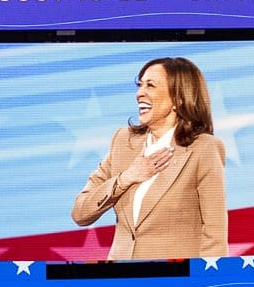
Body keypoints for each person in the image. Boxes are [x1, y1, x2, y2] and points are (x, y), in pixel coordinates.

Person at [70, 57, 227, 260]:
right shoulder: (123, 141)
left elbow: (215, 232)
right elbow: (80, 213)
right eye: (140, 85)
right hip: (121, 282)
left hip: (176, 283)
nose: (139, 94)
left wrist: (207, 283)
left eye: (150, 85)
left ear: (178, 98)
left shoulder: (203, 149)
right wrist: (126, 178)